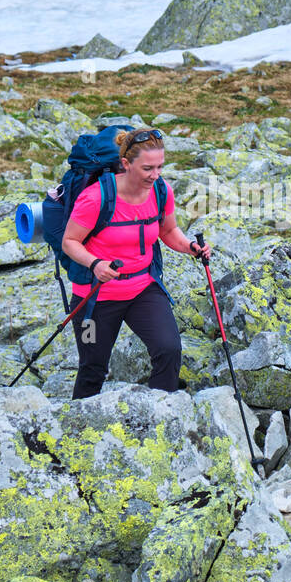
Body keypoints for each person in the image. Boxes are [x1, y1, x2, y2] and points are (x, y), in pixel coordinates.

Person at [61, 127, 211, 399]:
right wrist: (95, 264)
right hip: (93, 298)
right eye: (148, 169)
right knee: (92, 367)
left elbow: (167, 232)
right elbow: (69, 241)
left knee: (169, 350)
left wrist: (191, 247)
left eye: (160, 167)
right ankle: (78, 429)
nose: (155, 175)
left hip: (143, 288)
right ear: (126, 164)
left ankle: (160, 415)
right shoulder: (94, 198)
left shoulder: (161, 191)